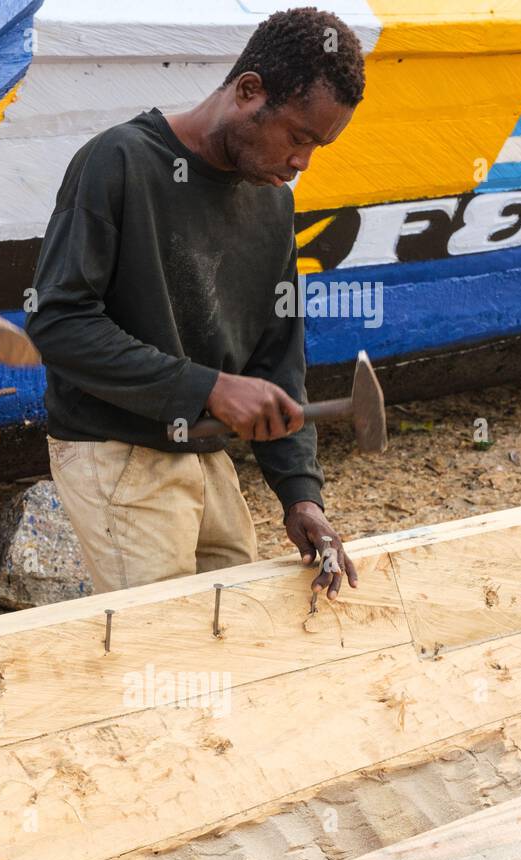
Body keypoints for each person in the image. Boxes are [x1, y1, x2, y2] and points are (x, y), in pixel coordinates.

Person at [27, 7, 365, 600]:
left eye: (319, 147)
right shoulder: (121, 162)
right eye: (298, 136)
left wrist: (300, 493)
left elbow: (275, 365)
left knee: (239, 633)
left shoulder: (272, 206)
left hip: (208, 459)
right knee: (168, 653)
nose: (302, 162)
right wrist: (211, 387)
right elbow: (57, 324)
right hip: (114, 454)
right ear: (248, 91)